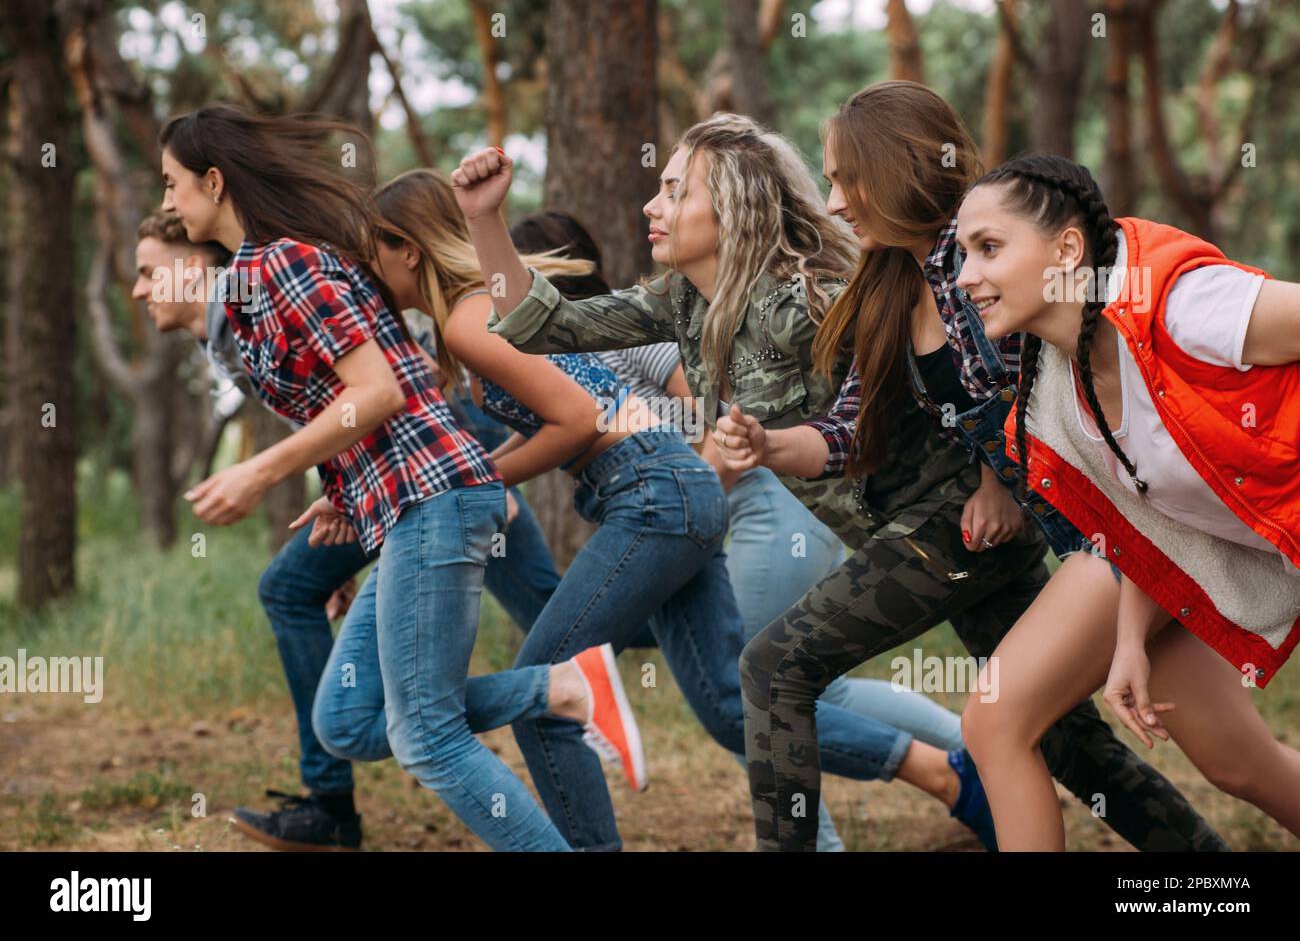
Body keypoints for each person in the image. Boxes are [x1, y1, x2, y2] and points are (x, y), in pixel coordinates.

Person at [707, 84, 1226, 851]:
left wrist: (995, 482)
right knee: (1066, 743)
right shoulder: (892, 280)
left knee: (775, 666)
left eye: (845, 178)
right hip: (1008, 532)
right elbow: (849, 431)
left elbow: (1050, 371)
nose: (834, 202)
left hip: (983, 527)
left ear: (893, 169)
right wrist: (768, 443)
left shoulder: (976, 257)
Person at [159, 103, 639, 851]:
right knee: (347, 721)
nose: (167, 202)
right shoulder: (262, 275)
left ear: (214, 183)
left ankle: (567, 702)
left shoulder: (285, 261)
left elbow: (378, 391)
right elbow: (381, 392)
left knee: (428, 740)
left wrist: (262, 468)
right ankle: (564, 688)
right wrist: (344, 498)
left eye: (172, 184)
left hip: (434, 499)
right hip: (404, 505)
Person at [510, 210, 968, 853]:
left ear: (551, 271)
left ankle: (855, 824)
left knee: (763, 689)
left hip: (764, 502)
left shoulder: (634, 339)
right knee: (805, 686)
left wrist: (683, 504)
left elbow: (727, 422)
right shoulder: (561, 356)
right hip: (717, 514)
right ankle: (973, 761)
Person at [950, 152, 1300, 849]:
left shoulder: (1182, 305)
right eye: (963, 254)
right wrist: (1132, 639)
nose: (966, 277)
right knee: (1231, 760)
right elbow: (1151, 524)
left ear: (1067, 249)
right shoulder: (1057, 404)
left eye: (989, 248)